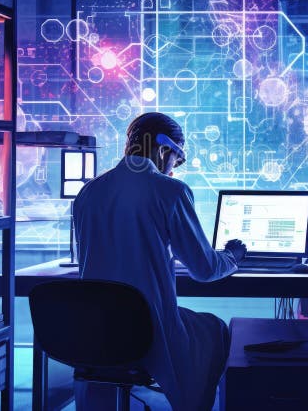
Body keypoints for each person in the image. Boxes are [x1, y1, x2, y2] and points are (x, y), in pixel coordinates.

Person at [73, 112, 247, 410]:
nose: (173, 170)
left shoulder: (88, 191)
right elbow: (204, 269)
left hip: (96, 329)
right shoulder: (170, 191)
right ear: (165, 148)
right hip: (147, 331)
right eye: (176, 161)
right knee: (215, 329)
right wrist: (232, 256)